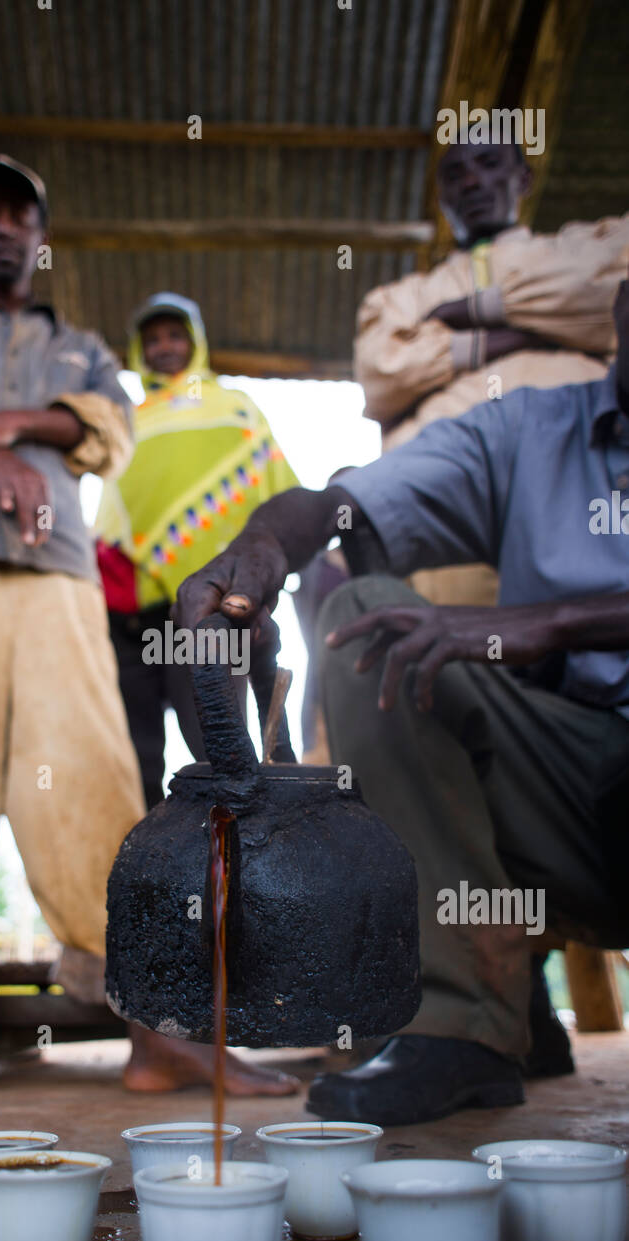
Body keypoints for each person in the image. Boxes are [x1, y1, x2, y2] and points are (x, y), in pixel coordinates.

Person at [0, 158, 296, 1102]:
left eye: (21, 212)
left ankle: (154, 1028)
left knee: (92, 775)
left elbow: (107, 426)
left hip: (53, 575)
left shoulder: (86, 346)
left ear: (39, 234)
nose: (4, 226)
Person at [175, 279, 629, 1126]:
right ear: (619, 309)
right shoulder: (531, 429)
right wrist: (258, 551)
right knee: (367, 621)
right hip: (577, 798)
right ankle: (467, 1017)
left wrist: (554, 621)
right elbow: (343, 504)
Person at [354, 139, 629, 607]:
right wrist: (532, 331)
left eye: (488, 164)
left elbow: (605, 299)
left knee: (592, 635)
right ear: (441, 199)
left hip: (580, 480)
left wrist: (474, 310)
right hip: (449, 508)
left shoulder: (590, 245)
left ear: (523, 179)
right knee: (448, 653)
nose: (472, 181)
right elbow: (383, 372)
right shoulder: (400, 295)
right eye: (454, 174)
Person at [94, 292, 299, 806]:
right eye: (153, 339)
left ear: (196, 341)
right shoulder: (130, 419)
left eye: (175, 334)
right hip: (144, 609)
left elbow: (279, 493)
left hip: (222, 602)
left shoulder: (237, 407)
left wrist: (266, 566)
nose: (164, 347)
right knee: (137, 758)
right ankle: (156, 873)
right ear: (140, 351)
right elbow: (113, 512)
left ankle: (236, 873)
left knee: (220, 746)